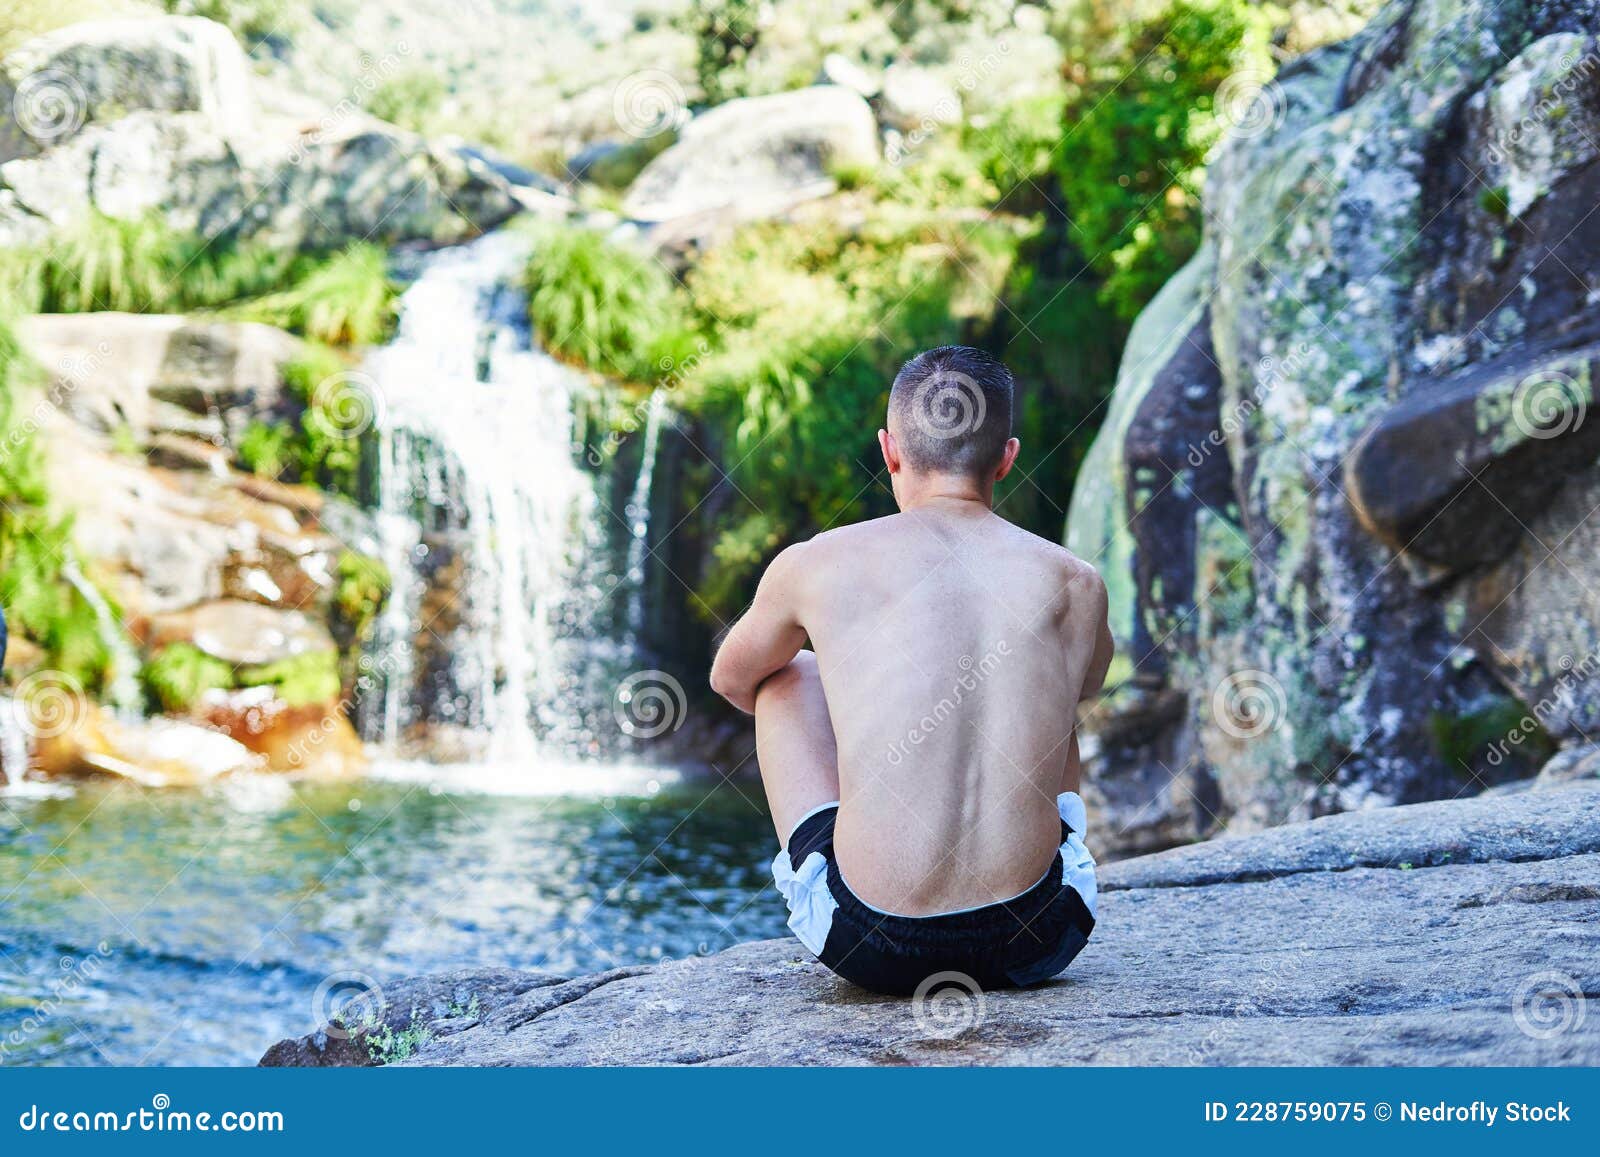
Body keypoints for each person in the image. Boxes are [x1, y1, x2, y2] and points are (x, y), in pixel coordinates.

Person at [709, 345, 1114, 996]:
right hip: (1041, 935)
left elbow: (731, 680)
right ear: (1006, 457)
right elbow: (1088, 687)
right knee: (1053, 684)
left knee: (787, 675)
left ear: (890, 450)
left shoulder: (817, 562)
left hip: (871, 942)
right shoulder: (1074, 580)